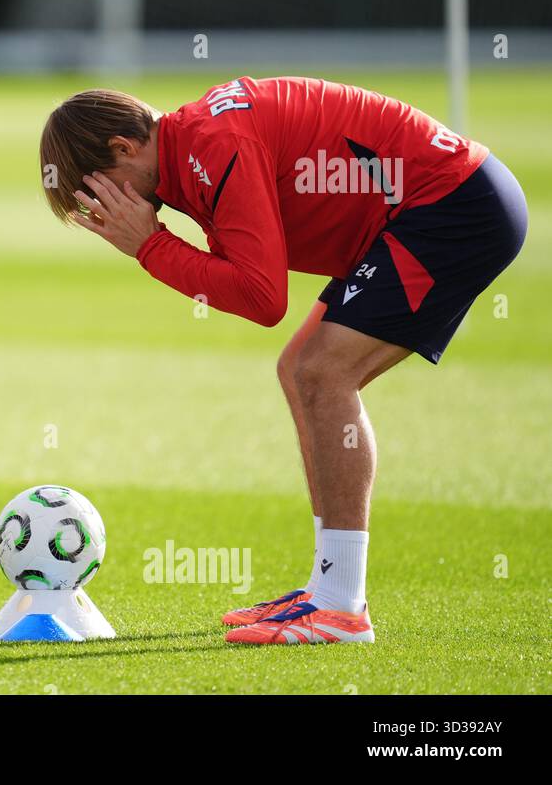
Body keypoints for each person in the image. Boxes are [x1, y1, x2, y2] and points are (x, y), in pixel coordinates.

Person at [38, 76, 526, 645]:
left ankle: (342, 607)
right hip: (425, 208)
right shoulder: (190, 151)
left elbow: (262, 298)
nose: (106, 211)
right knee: (300, 370)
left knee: (324, 374)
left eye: (100, 195)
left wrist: (150, 246)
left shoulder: (210, 147)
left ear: (124, 150)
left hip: (452, 206)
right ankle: (327, 586)